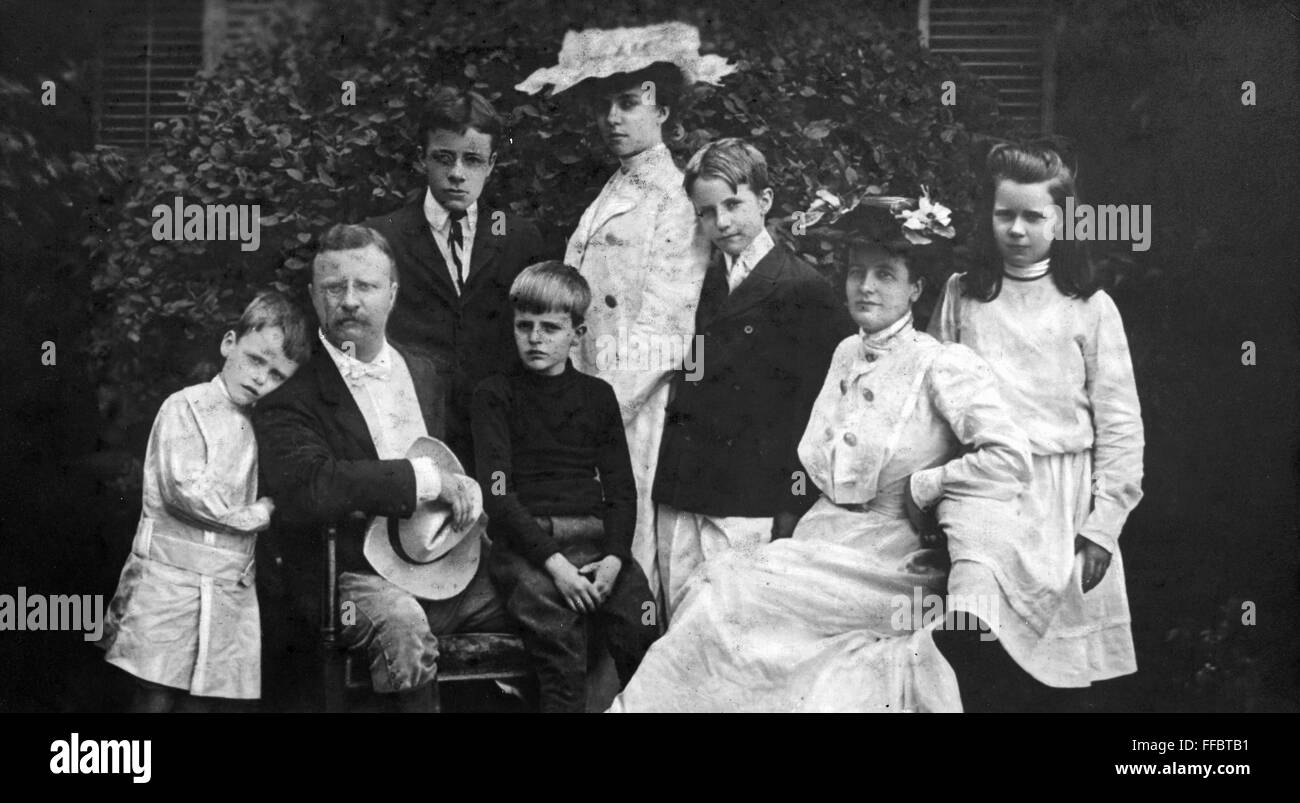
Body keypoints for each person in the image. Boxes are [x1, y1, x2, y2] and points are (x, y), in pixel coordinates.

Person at [608, 197, 1034, 712]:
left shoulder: (941, 365)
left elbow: (1009, 456)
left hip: (891, 562)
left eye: (885, 275)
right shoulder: (846, 353)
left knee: (734, 596)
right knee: (719, 588)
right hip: (824, 541)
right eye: (857, 274)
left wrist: (928, 486)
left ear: (916, 288)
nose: (866, 287)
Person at [254, 224, 512, 713]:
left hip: (453, 563)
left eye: (366, 286)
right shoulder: (290, 399)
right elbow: (313, 487)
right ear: (313, 296)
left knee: (549, 604)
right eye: (334, 287)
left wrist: (473, 489)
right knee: (401, 625)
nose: (349, 300)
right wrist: (427, 479)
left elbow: (479, 458)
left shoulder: (432, 371)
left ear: (392, 294)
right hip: (353, 577)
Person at [516, 22, 733, 602]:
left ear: (661, 111)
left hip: (630, 407)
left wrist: (595, 415)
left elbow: (667, 329)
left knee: (628, 553)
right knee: (578, 546)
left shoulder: (676, 199)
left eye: (630, 103)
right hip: (584, 398)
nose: (613, 118)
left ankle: (633, 683)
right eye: (605, 106)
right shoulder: (610, 191)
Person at [928, 140, 1144, 698]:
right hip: (984, 493)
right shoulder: (963, 295)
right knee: (972, 643)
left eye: (1032, 216)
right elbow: (928, 398)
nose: (1017, 229)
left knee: (1057, 672)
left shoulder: (1089, 306)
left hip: (1061, 502)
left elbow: (1121, 424)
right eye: (1005, 215)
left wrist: (1103, 527)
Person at [652, 138, 850, 620]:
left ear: (765, 200)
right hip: (685, 491)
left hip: (750, 500)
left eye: (733, 204)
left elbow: (819, 412)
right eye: (705, 212)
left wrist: (791, 509)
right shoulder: (696, 279)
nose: (721, 223)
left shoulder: (804, 290)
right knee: (678, 629)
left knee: (734, 633)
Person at [100, 291, 310, 712]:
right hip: (169, 583)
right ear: (229, 343)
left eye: (276, 375)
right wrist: (261, 512)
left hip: (228, 587)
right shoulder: (186, 406)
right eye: (255, 359)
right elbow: (186, 492)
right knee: (155, 692)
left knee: (208, 698)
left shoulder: (264, 426)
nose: (260, 379)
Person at [472, 261, 658, 712]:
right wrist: (556, 566)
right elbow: (497, 493)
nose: (535, 338)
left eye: (551, 327)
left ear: (577, 332)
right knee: (561, 655)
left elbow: (620, 489)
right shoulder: (495, 394)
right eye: (525, 326)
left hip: (595, 541)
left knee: (642, 628)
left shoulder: (597, 397)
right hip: (528, 546)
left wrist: (614, 560)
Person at [364, 86, 546, 472]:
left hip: (498, 435)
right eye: (444, 159)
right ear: (421, 159)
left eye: (473, 160)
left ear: (492, 163)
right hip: (411, 431)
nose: (458, 174)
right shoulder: (384, 237)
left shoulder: (520, 238)